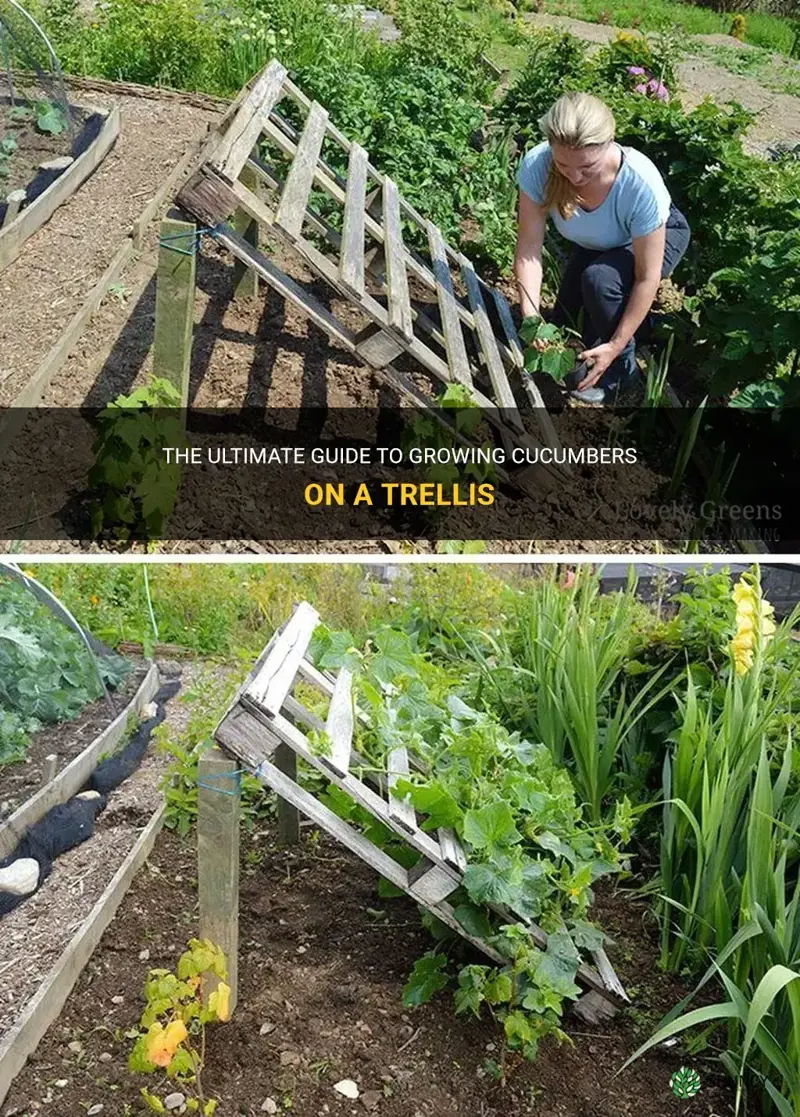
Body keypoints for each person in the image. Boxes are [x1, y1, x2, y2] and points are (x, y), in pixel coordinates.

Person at [514, 91, 690, 404]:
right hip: (601, 243)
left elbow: (646, 277)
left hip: (655, 238)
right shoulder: (538, 167)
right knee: (563, 322)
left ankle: (624, 376)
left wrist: (615, 346)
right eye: (564, 165)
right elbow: (529, 249)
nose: (575, 176)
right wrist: (531, 317)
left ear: (609, 144)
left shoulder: (638, 184)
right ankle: (647, 325)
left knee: (599, 281)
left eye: (587, 166)